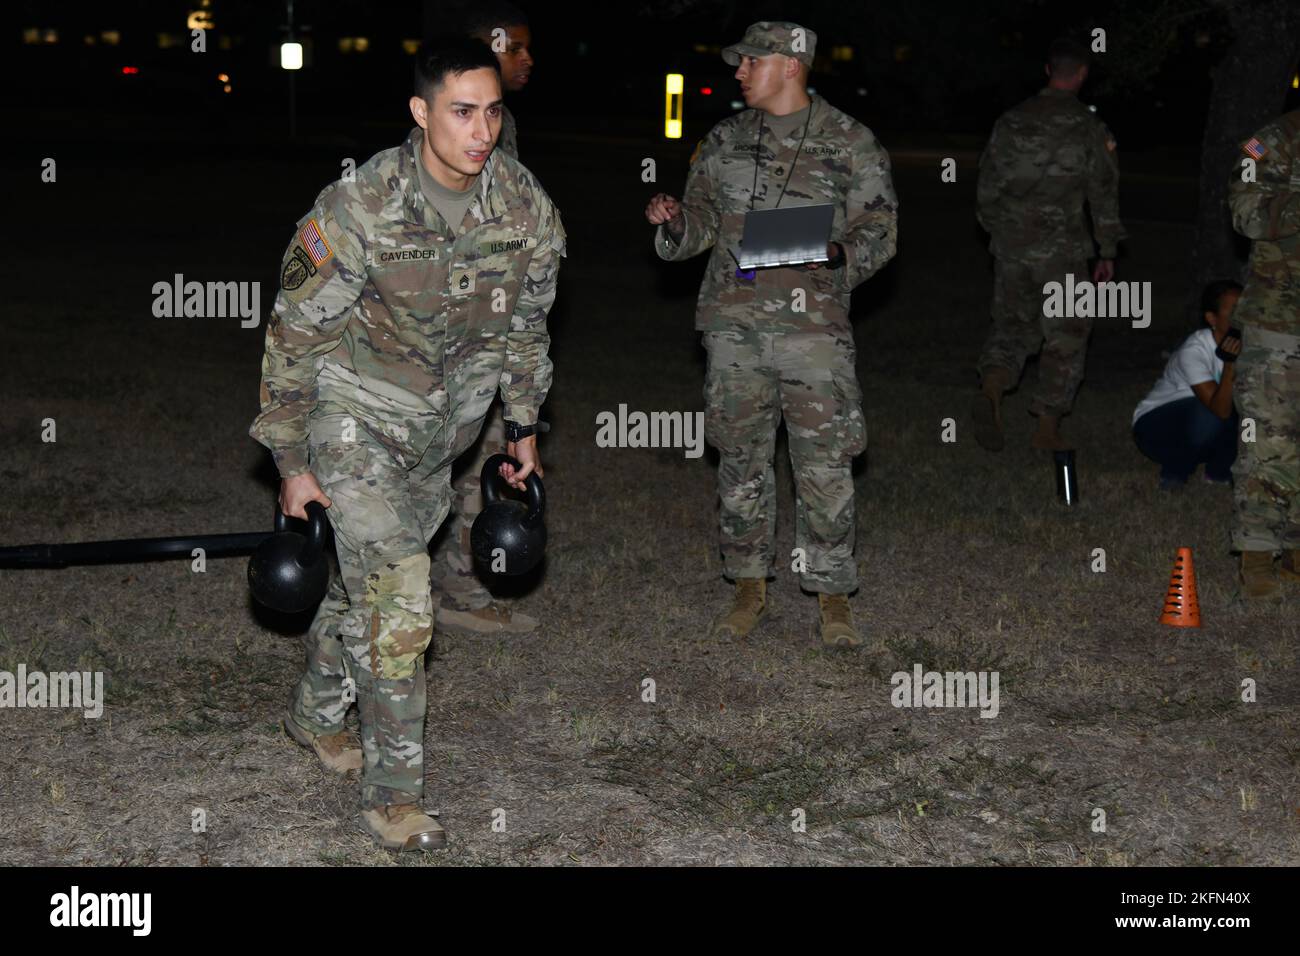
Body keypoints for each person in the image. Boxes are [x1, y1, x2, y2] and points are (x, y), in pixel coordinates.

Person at [249, 36, 565, 850]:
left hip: (442, 439)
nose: (482, 129)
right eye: (463, 111)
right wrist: (291, 463)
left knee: (360, 594)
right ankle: (394, 799)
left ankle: (314, 718)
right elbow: (293, 337)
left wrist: (521, 428)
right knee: (400, 595)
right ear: (422, 112)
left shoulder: (525, 209)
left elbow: (528, 329)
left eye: (494, 111)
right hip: (351, 422)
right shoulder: (359, 206)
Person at [646, 21, 898, 648]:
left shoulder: (850, 141)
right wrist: (677, 223)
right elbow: (702, 223)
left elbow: (882, 229)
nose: (738, 71)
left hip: (814, 334)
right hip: (734, 330)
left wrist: (841, 252)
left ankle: (833, 594)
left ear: (789, 64)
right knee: (740, 462)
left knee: (826, 466)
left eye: (750, 61)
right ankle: (749, 585)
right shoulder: (725, 139)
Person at [426, 1, 541, 637]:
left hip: (491, 327)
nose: (526, 60)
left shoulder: (504, 129)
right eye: (514, 47)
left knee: (487, 454)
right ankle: (443, 592)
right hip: (447, 335)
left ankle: (462, 587)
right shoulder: (439, 138)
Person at [972, 37, 1125, 453]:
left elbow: (986, 186)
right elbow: (1104, 193)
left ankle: (993, 384)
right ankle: (1047, 424)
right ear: (1081, 75)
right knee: (1067, 334)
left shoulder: (1010, 121)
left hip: (1011, 247)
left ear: (1047, 71)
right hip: (1062, 251)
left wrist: (999, 233)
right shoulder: (1089, 128)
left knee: (1012, 326)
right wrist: (1107, 249)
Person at [1227, 109, 1300, 599]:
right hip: (1281, 322)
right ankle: (1257, 564)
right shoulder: (1269, 143)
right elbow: (1247, 212)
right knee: (1269, 440)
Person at [1132, 280, 1241, 490]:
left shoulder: (1252, 346)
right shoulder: (1193, 351)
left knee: (1253, 416)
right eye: (1234, 312)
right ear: (1212, 318)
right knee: (1212, 412)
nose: (1242, 318)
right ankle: (1176, 469)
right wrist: (1230, 366)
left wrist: (1251, 446)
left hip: (1206, 429)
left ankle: (1221, 470)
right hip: (1157, 427)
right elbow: (1219, 409)